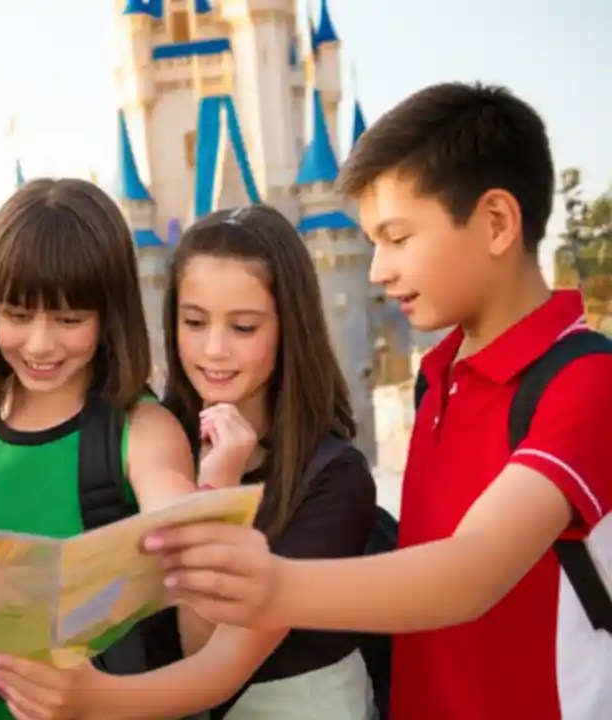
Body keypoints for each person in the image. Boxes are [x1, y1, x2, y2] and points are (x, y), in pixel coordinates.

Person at [142, 83, 612, 720]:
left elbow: (470, 573)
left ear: (497, 222)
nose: (376, 270)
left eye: (396, 238)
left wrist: (271, 582)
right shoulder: (440, 378)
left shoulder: (588, 380)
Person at [0, 205, 377, 719]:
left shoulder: (333, 477)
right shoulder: (155, 435)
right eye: (194, 322)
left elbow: (212, 658)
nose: (214, 349)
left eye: (243, 327)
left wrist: (219, 485)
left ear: (290, 326)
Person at [0, 178, 195, 720]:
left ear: (109, 317)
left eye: (68, 320)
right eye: (17, 315)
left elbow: (177, 514)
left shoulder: (142, 431)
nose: (39, 344)